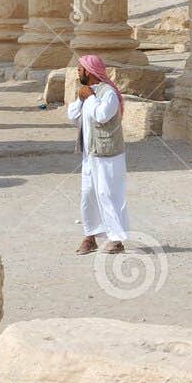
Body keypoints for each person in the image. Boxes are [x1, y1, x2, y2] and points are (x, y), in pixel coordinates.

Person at [67, 53, 129, 255]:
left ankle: (116, 240)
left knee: (108, 194)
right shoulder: (87, 93)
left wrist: (91, 98)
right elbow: (73, 117)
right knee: (88, 195)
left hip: (108, 155)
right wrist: (81, 98)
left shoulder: (107, 92)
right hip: (90, 154)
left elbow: (102, 115)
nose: (78, 71)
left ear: (90, 71)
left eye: (80, 68)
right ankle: (90, 235)